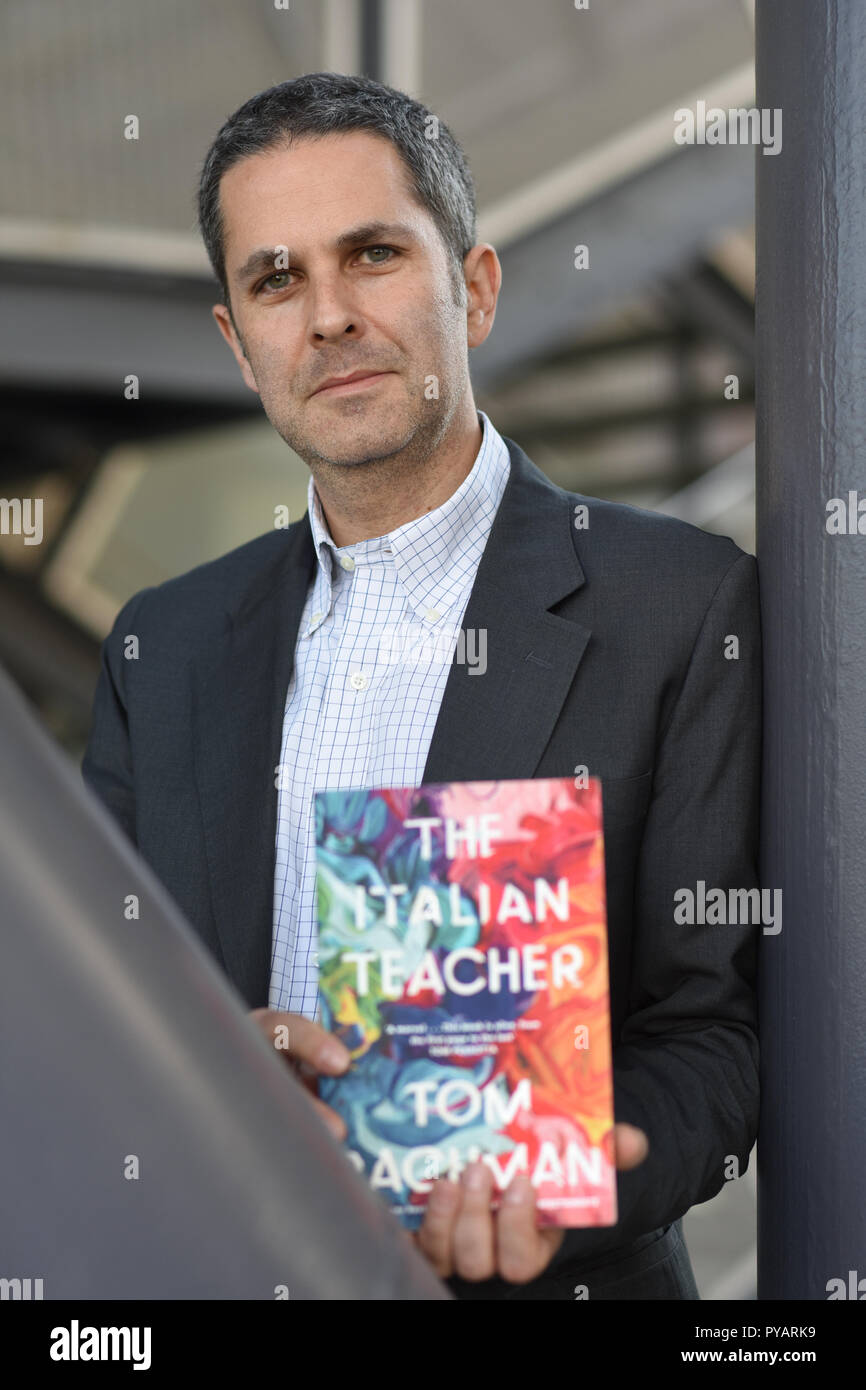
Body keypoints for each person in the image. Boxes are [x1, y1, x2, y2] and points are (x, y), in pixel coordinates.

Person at [82, 72, 761, 1301]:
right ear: (239, 345)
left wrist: (555, 1181)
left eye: (373, 254)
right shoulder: (161, 647)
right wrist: (209, 1072)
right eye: (277, 278)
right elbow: (99, 1017)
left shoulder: (680, 605)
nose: (329, 316)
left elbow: (715, 1034)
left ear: (478, 287)